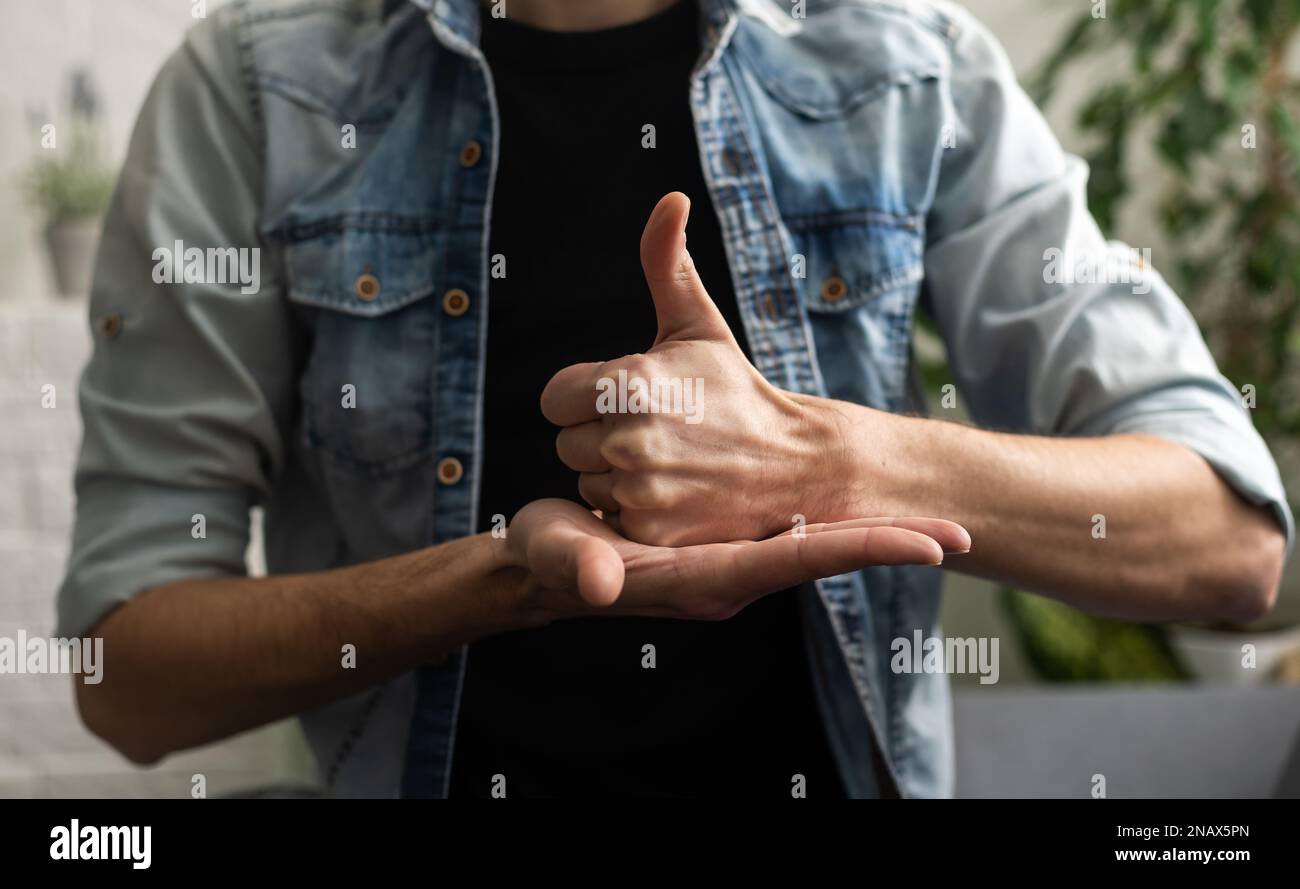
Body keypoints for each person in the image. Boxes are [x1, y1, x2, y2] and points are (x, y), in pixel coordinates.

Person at [60, 0, 1290, 799]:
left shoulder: (913, 70)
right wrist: (504, 576)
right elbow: (130, 672)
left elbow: (1228, 543)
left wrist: (820, 460)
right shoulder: (256, 90)